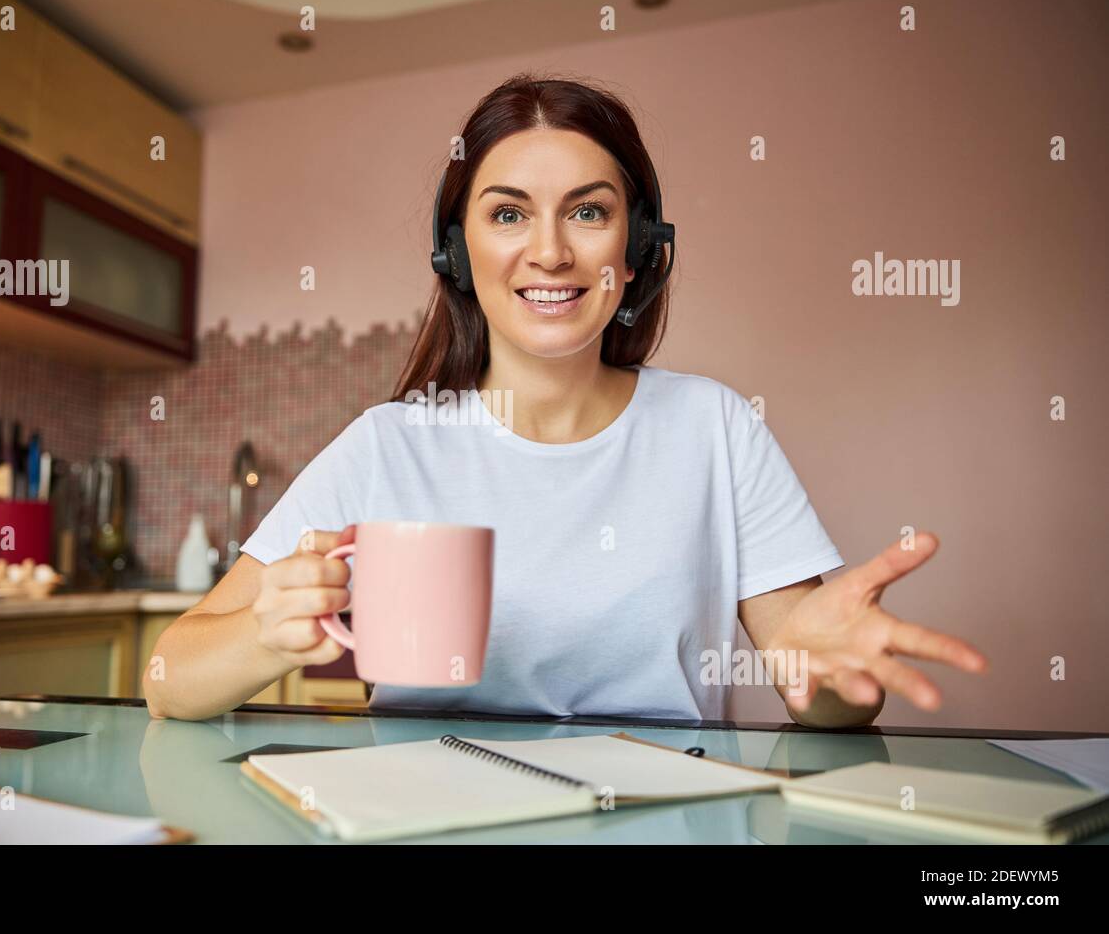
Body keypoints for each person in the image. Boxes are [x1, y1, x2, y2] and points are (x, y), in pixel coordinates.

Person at [144, 73, 986, 725]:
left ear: (638, 248)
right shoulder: (387, 445)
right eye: (508, 214)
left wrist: (834, 678)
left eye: (588, 211)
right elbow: (166, 679)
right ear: (457, 252)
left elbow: (827, 692)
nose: (548, 252)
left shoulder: (715, 428)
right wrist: (263, 636)